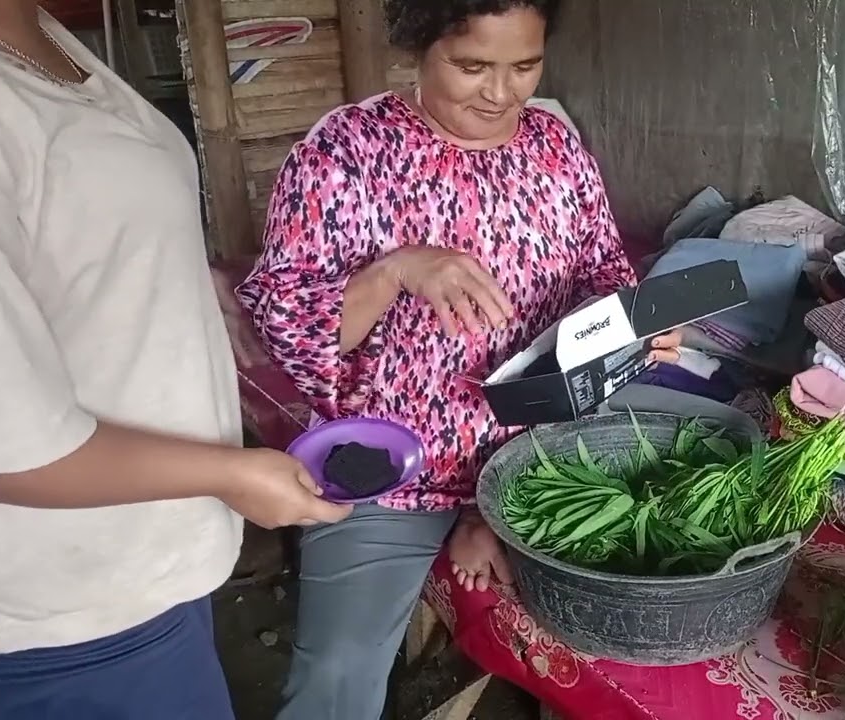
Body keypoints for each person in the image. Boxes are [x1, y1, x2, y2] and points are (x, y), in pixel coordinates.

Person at [237, 0, 682, 716]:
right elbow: (289, 325)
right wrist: (393, 271)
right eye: (472, 66)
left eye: (525, 65)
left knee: (637, 601)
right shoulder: (348, 151)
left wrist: (634, 323)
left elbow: (602, 267)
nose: (502, 92)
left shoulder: (554, 148)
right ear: (420, 48)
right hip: (390, 465)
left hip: (539, 450)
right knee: (338, 674)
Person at [0, 2, 351, 719]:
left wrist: (187, 286)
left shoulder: (33, 30)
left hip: (150, 556)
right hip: (73, 605)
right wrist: (234, 473)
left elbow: (74, 245)